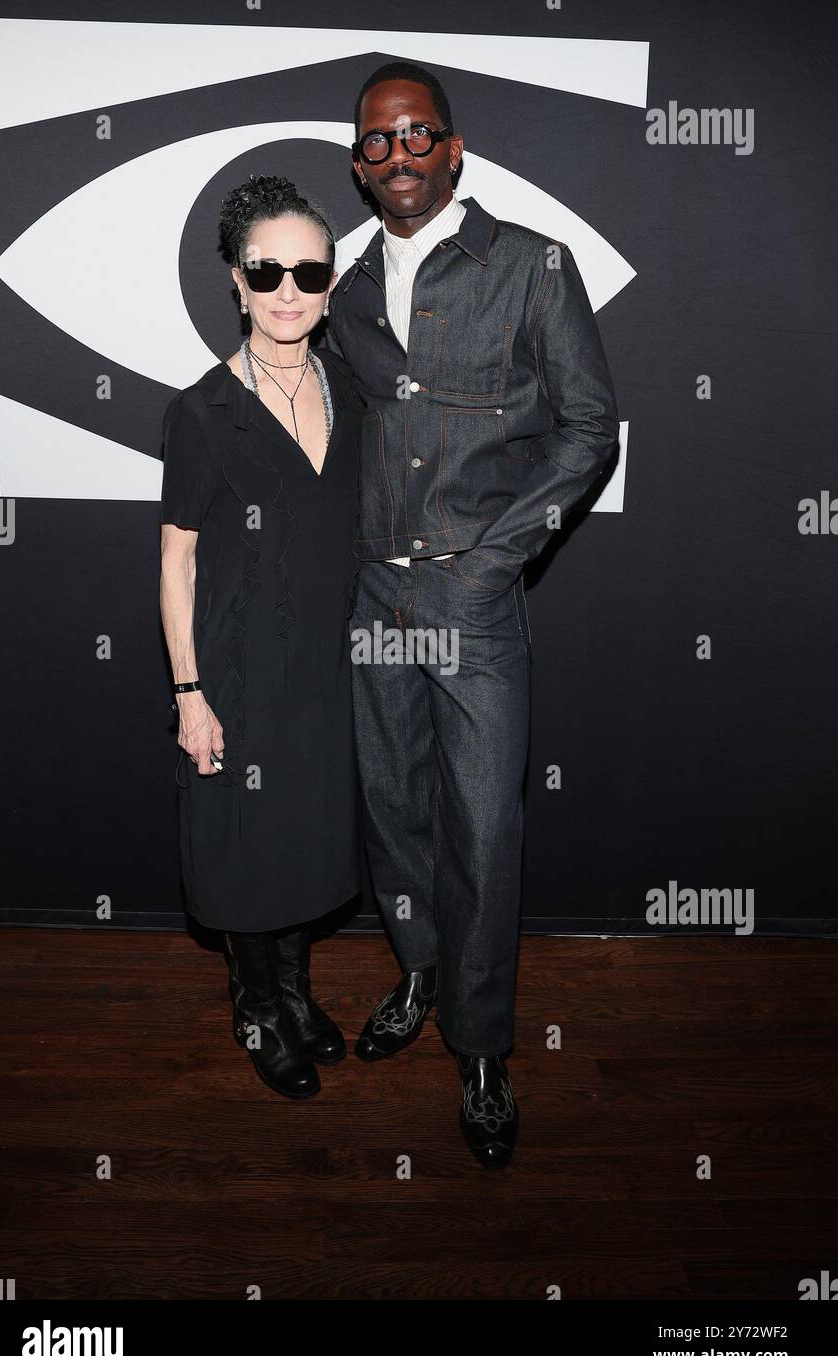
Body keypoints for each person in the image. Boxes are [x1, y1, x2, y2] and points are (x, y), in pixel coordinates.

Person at [323, 62, 619, 1166]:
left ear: (452, 148)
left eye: (416, 136)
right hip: (376, 597)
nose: (396, 156)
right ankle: (418, 972)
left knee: (486, 831)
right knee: (394, 809)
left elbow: (590, 427)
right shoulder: (348, 292)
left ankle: (482, 1045)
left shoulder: (533, 268)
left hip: (471, 595)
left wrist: (498, 557)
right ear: (358, 166)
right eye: (375, 144)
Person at [159, 175, 364, 1101]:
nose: (288, 291)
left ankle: (294, 991)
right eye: (266, 271)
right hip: (236, 675)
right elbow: (178, 566)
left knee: (303, 839)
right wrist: (189, 694)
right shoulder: (203, 413)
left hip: (323, 672)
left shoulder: (351, 393)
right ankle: (255, 1010)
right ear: (235, 283)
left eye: (308, 272)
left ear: (330, 282)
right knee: (247, 848)